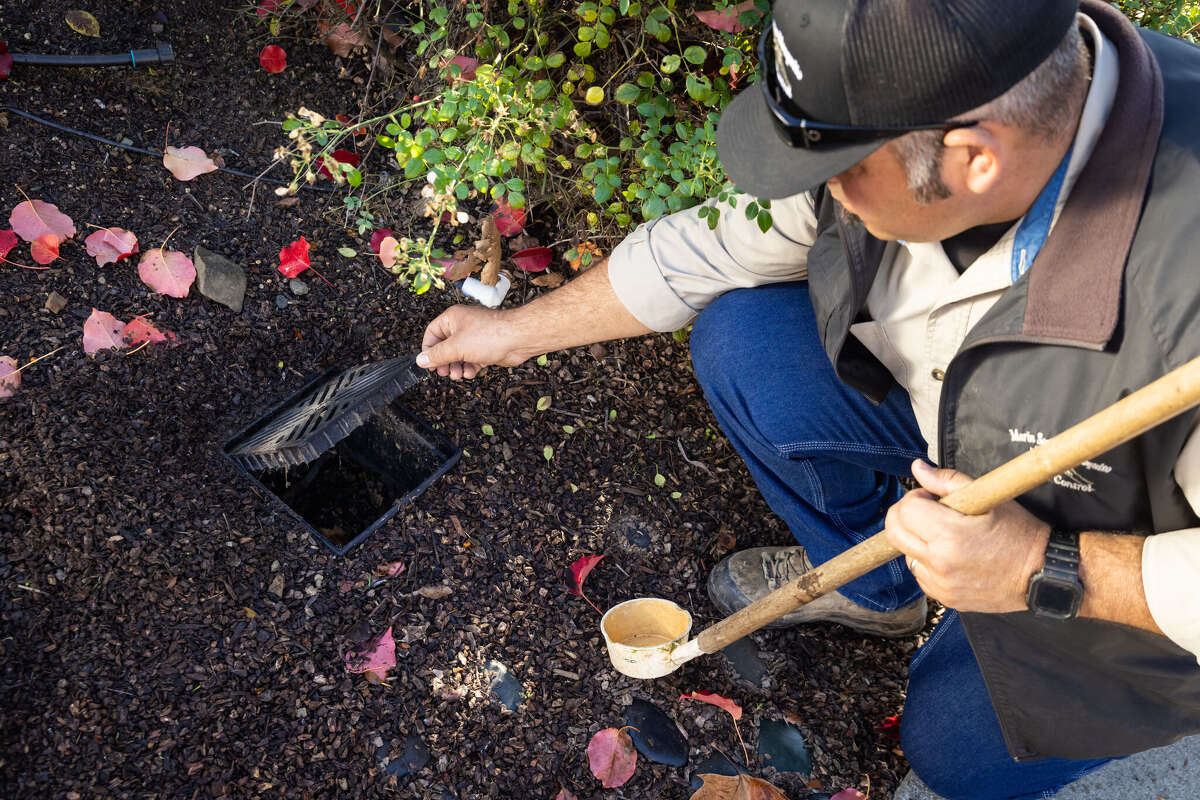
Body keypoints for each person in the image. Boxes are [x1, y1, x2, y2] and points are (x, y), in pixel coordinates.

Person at [417, 1, 1200, 797]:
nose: (817, 188)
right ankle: (881, 594)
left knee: (953, 748)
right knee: (743, 339)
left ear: (973, 159)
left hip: (1112, 524)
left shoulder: (1183, 290)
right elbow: (707, 252)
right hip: (962, 415)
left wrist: (1044, 567)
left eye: (836, 168)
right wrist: (512, 332)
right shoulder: (907, 122)